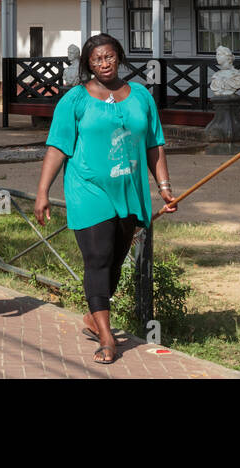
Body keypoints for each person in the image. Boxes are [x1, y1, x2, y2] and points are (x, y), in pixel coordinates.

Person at [34, 33, 176, 364]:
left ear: (119, 57)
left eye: (109, 57)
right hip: (88, 188)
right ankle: (107, 336)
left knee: (115, 259)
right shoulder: (75, 101)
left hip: (129, 188)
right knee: (98, 256)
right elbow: (57, 147)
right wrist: (43, 192)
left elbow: (155, 144)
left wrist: (164, 186)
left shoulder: (141, 96)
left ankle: (93, 316)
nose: (104, 63)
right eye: (97, 59)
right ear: (88, 64)